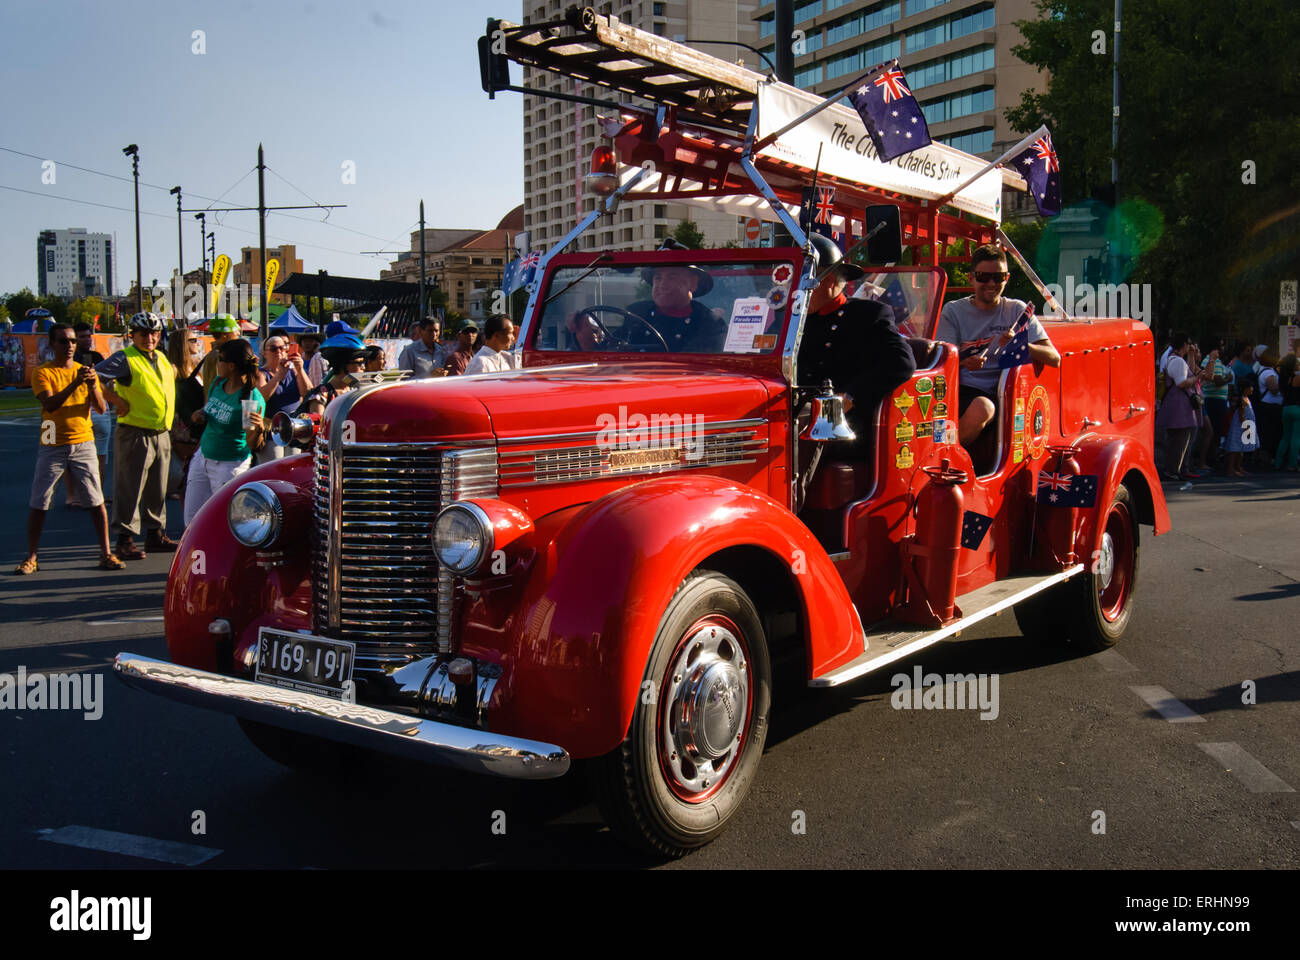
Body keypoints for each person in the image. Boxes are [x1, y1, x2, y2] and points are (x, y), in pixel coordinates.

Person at [16, 323, 123, 574]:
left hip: (84, 440)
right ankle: (31, 557)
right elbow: (50, 404)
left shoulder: (85, 372)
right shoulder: (43, 372)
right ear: (52, 345)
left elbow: (99, 407)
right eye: (64, 341)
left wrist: (92, 385)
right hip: (53, 440)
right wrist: (76, 384)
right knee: (40, 501)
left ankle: (106, 554)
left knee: (96, 501)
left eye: (73, 341)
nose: (70, 345)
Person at [796, 233, 915, 453]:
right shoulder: (793, 319)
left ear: (828, 282)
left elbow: (902, 362)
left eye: (800, 282)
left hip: (842, 425)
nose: (793, 291)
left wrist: (850, 396)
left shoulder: (867, 314)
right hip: (794, 415)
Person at [936, 244, 1060, 447]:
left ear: (1007, 278)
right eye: (984, 277)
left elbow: (1054, 358)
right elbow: (942, 361)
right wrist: (965, 362)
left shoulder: (1017, 311)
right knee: (981, 407)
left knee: (984, 407)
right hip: (961, 389)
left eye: (999, 277)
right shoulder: (953, 311)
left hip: (1008, 394)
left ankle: (946, 454)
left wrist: (1020, 345)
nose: (991, 283)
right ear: (971, 278)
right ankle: (942, 456)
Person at [96, 313, 178, 560]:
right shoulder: (126, 358)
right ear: (133, 335)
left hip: (161, 431)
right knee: (129, 488)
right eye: (144, 333)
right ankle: (125, 539)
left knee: (157, 488)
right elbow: (96, 377)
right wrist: (115, 399)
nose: (150, 338)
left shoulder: (162, 358)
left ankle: (155, 534)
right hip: (135, 432)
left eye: (154, 333)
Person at [183, 339, 266, 526]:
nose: (216, 363)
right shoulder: (218, 384)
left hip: (228, 467)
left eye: (220, 359)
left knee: (225, 522)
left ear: (231, 366)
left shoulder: (250, 398)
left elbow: (252, 443)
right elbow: (210, 408)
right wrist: (201, 413)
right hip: (203, 457)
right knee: (192, 520)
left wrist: (259, 429)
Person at [624, 240, 727, 352]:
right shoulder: (636, 315)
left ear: (693, 283)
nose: (662, 285)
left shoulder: (708, 323)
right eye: (658, 278)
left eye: (672, 277)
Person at [256, 335, 312, 463]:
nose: (279, 352)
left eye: (282, 348)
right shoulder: (261, 374)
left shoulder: (293, 372)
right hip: (271, 431)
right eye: (273, 348)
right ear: (265, 353)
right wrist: (278, 376)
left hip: (293, 428)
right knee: (273, 467)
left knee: (292, 465)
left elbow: (308, 393)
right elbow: (261, 397)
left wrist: (300, 369)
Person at [71, 322, 111, 500]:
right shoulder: (71, 359)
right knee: (72, 455)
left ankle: (96, 495)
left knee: (100, 454)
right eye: (82, 336)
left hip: (98, 407)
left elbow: (106, 382)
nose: (87, 339)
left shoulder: (97, 356)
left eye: (88, 336)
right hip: (79, 409)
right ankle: (74, 496)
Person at [1155, 333, 1201, 481]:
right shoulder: (1177, 361)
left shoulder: (1177, 360)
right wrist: (1198, 378)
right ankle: (1172, 470)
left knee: (1178, 439)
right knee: (1179, 440)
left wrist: (1192, 356)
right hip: (1178, 407)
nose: (1190, 347)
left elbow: (1190, 371)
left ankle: (1174, 468)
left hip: (1177, 406)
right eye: (1188, 344)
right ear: (1184, 345)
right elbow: (1182, 382)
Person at [167, 327, 206, 500]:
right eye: (192, 340)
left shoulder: (197, 367)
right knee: (188, 480)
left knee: (196, 480)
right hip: (183, 429)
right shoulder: (173, 369)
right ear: (182, 344)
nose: (197, 342)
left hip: (199, 427)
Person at [300, 333, 368, 419]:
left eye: (364, 363)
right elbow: (320, 428)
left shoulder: (355, 391)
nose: (364, 367)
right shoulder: (321, 394)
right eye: (359, 363)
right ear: (343, 364)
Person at [1223, 382, 1257, 477]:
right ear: (1245, 388)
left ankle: (1238, 467)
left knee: (1241, 448)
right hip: (1240, 427)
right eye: (1250, 387)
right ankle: (1230, 469)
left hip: (1245, 425)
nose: (1252, 389)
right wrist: (1246, 428)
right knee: (1235, 448)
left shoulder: (1247, 399)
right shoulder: (1242, 400)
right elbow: (1241, 416)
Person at [1255, 350, 1283, 465]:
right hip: (1270, 407)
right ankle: (1266, 458)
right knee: (1270, 433)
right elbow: (1274, 389)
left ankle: (1265, 457)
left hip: (1269, 406)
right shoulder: (1269, 373)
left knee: (1268, 432)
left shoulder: (1263, 370)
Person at [197, 314, 241, 388]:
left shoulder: (215, 355)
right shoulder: (219, 357)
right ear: (224, 334)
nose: (238, 333)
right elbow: (217, 387)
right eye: (235, 330)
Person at [1273, 353, 1300, 471]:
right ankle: (1292, 464)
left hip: (1286, 408)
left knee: (1285, 437)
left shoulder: (1282, 378)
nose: (1299, 365)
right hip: (1297, 409)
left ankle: (1278, 462)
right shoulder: (1297, 378)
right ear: (1293, 365)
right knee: (1296, 438)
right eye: (1297, 363)